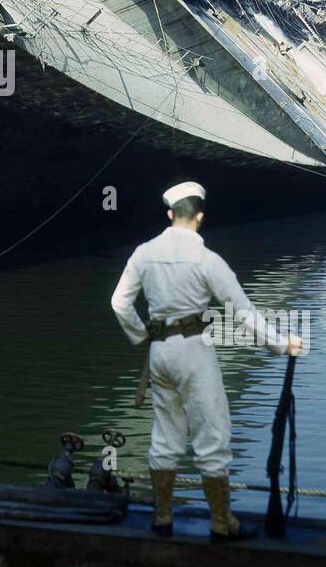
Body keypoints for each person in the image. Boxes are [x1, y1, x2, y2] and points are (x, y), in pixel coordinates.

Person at [111, 181, 302, 542]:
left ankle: (162, 518)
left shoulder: (142, 253)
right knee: (212, 434)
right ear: (200, 217)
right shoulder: (207, 260)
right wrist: (282, 345)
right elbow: (243, 314)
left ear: (170, 215)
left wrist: (140, 335)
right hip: (194, 351)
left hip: (159, 352)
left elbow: (119, 303)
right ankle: (220, 522)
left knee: (166, 435)